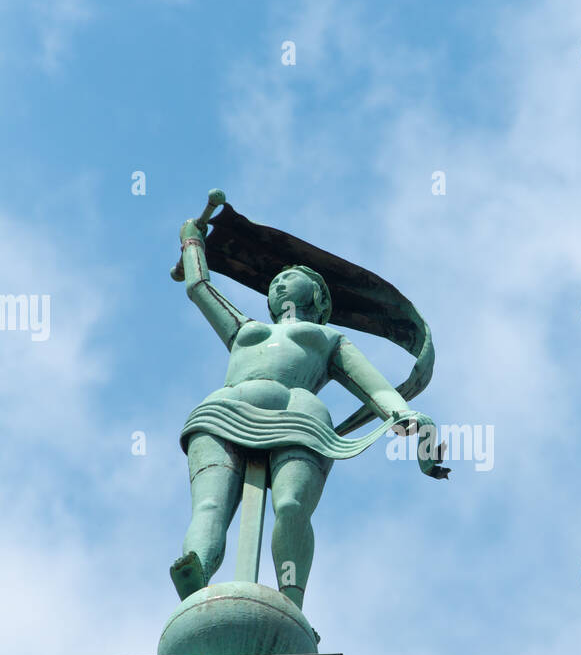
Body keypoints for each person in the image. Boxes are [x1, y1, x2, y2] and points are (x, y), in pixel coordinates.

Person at [170, 216, 447, 608]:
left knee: (291, 507)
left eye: (293, 276)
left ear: (319, 297)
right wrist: (192, 240)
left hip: (299, 418)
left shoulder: (329, 338)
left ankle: (290, 600)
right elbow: (199, 288)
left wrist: (407, 418)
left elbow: (375, 388)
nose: (280, 281)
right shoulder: (242, 328)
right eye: (276, 280)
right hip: (224, 410)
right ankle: (196, 571)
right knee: (210, 505)